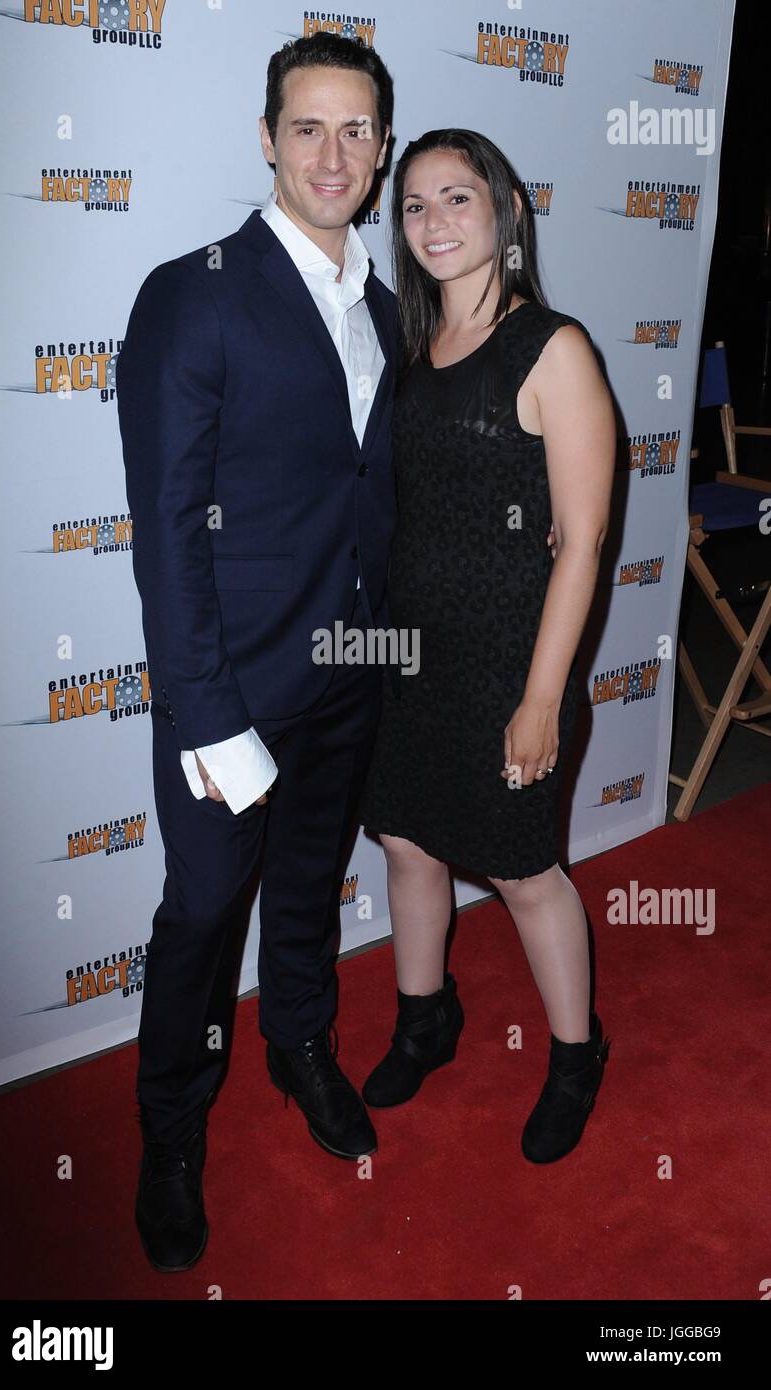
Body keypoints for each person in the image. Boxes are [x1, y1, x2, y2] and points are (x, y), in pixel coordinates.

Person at [116, 32, 398, 1272]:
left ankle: (298, 1047)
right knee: (197, 917)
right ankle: (170, 1133)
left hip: (345, 676)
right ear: (268, 138)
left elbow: (367, 500)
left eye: (356, 130)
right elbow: (167, 525)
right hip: (225, 696)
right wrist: (206, 714)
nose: (332, 154)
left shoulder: (386, 307)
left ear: (380, 148)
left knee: (306, 890)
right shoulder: (197, 289)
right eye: (308, 128)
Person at [357, 129, 617, 1165]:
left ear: (506, 208)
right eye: (414, 205)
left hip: (512, 664)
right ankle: (426, 1018)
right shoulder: (412, 355)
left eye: (455, 199)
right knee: (408, 846)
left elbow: (582, 539)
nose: (433, 223)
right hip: (412, 660)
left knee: (520, 870)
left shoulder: (551, 346)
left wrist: (542, 697)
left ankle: (573, 1054)